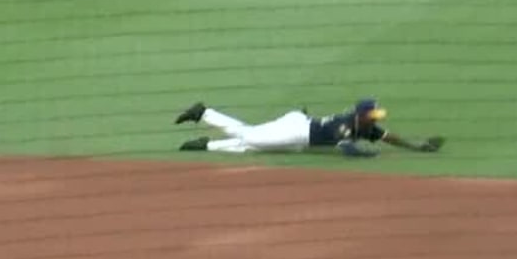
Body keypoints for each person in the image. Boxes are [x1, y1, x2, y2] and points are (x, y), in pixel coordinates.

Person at [173, 98, 444, 157]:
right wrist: (367, 154)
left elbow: (389, 137)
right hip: (296, 131)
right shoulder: (346, 124)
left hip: (298, 130)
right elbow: (347, 148)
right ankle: (204, 117)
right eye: (372, 116)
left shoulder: (366, 126)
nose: (376, 119)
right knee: (250, 139)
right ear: (362, 116)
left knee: (251, 142)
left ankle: (205, 132)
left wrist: (418, 146)